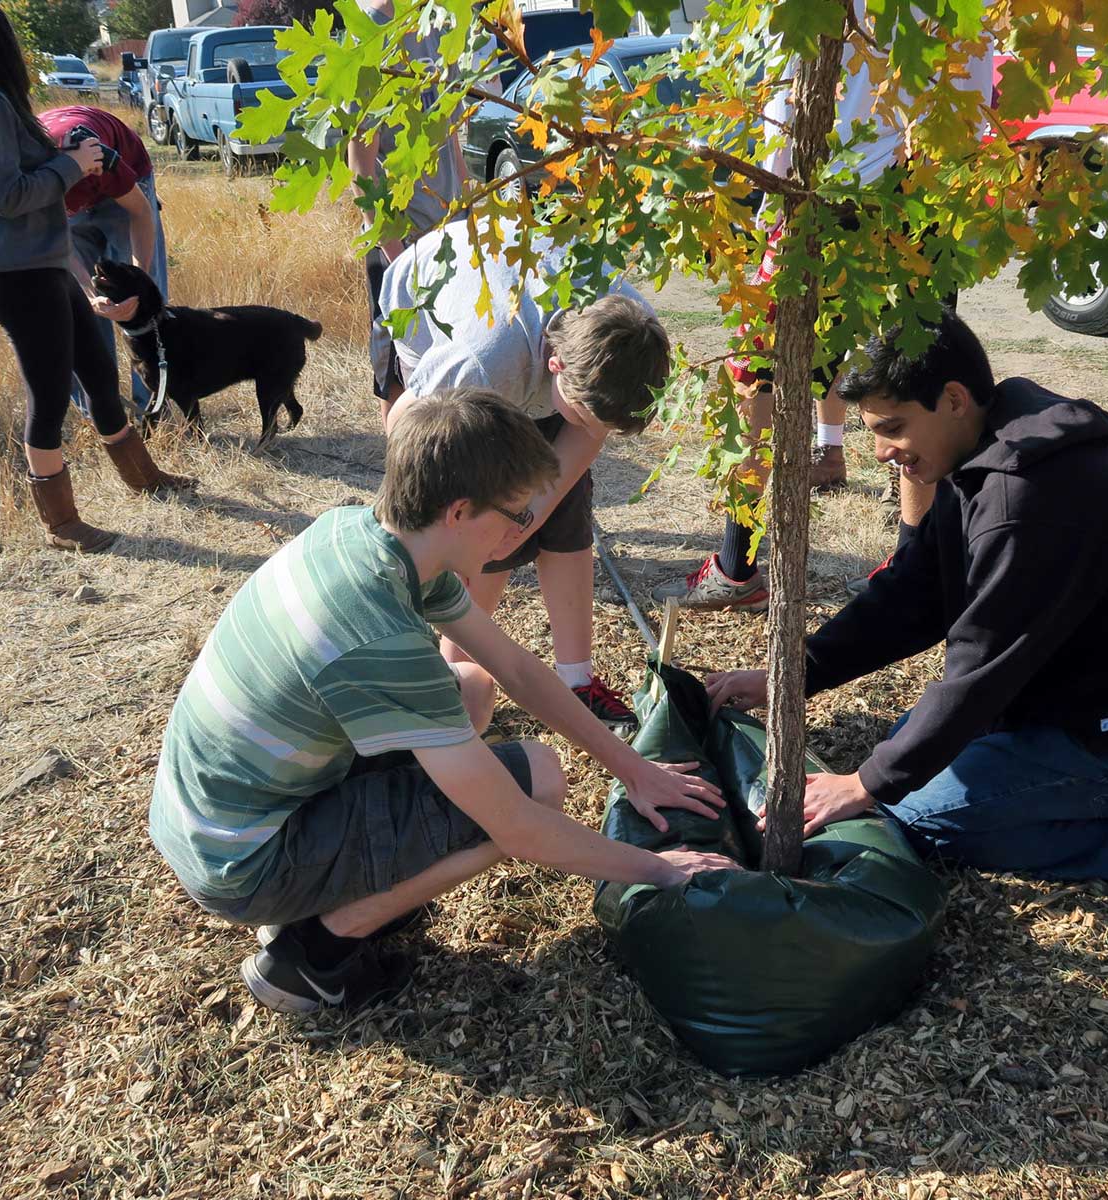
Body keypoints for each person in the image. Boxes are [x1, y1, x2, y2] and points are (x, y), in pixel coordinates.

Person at [149, 390, 734, 1013]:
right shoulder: (380, 638)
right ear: (458, 511)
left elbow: (510, 666)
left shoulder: (362, 534)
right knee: (537, 781)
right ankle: (313, 953)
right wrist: (665, 871)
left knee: (474, 690)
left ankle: (334, 896)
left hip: (216, 814)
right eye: (513, 514)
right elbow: (519, 825)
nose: (522, 530)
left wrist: (633, 768)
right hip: (246, 860)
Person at [705, 307, 1108, 898]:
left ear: (954, 399)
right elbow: (916, 591)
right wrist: (796, 674)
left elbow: (981, 671)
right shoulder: (991, 446)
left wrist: (865, 784)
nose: (882, 451)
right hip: (1087, 702)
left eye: (892, 427)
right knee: (906, 762)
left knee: (912, 820)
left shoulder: (1024, 501)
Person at [655, 10, 995, 611]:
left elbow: (798, 94)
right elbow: (979, 86)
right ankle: (912, 563)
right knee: (915, 375)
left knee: (760, 373)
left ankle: (737, 565)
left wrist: (773, 199)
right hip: (932, 199)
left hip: (836, 194)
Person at [378, 221, 670, 727]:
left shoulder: (632, 333)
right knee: (478, 506)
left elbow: (577, 450)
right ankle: (454, 671)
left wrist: (526, 518)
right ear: (555, 366)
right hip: (425, 310)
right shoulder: (480, 362)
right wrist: (473, 533)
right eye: (582, 416)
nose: (588, 430)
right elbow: (408, 434)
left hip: (536, 327)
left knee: (559, 505)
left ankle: (575, 680)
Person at [0, 0, 193, 553]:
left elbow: (16, 180)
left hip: (39, 264)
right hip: (18, 274)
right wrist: (72, 165)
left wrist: (62, 158)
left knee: (98, 371)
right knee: (48, 395)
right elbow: (6, 197)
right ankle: (62, 524)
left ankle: (144, 477)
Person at [350, 0, 473, 417]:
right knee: (400, 377)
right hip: (402, 245)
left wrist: (469, 215)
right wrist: (397, 256)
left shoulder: (442, 30)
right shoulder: (369, 38)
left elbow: (452, 140)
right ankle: (403, 476)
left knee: (447, 365)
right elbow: (361, 169)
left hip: (451, 239)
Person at [38, 104, 168, 416]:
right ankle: (101, 411)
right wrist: (90, 293)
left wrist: (140, 281)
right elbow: (59, 241)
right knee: (81, 307)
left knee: (142, 302)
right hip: (61, 185)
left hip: (123, 185)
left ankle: (153, 406)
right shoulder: (33, 173)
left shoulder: (102, 160)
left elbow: (140, 214)